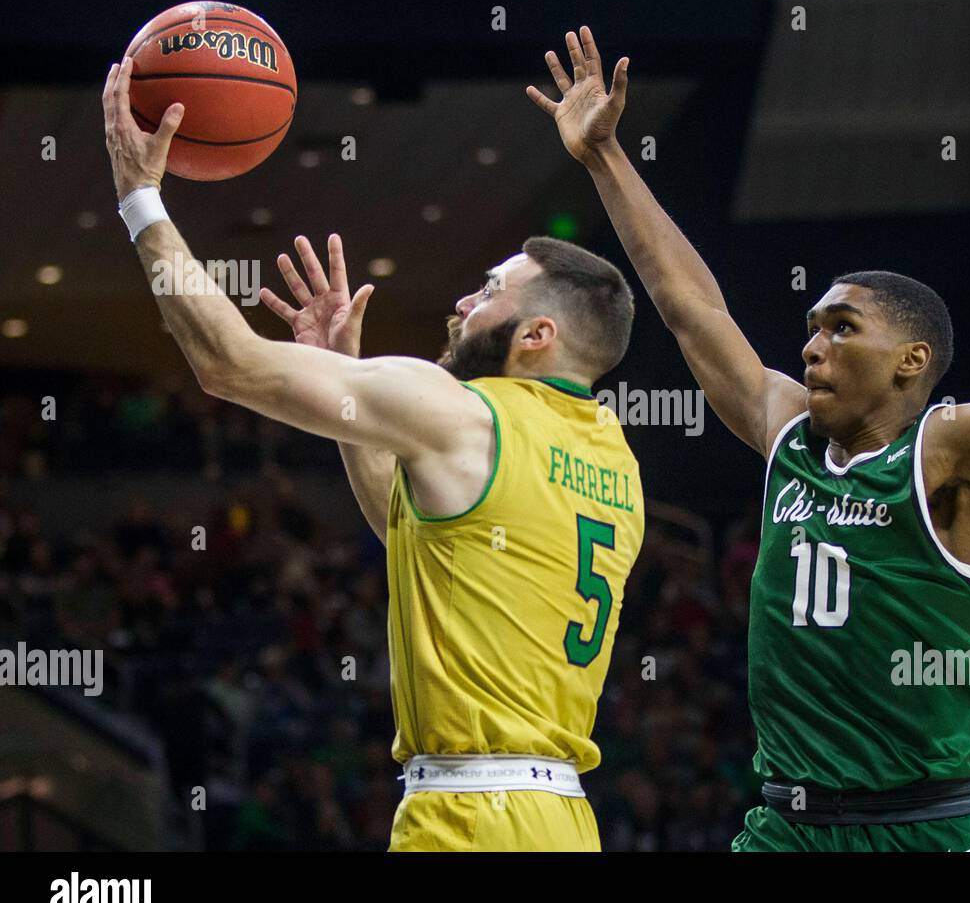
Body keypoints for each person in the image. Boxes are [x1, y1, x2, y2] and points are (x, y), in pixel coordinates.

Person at [528, 27, 970, 852]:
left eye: (842, 329)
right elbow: (688, 303)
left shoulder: (948, 445)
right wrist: (604, 158)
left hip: (931, 826)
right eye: (812, 329)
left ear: (911, 360)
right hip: (788, 827)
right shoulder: (788, 435)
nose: (812, 347)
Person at [102, 54, 644, 851]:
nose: (464, 299)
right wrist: (354, 389)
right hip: (560, 817)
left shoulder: (462, 409)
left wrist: (139, 198)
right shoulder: (612, 456)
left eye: (490, 289)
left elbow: (229, 364)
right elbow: (423, 543)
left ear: (537, 336)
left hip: (474, 816)